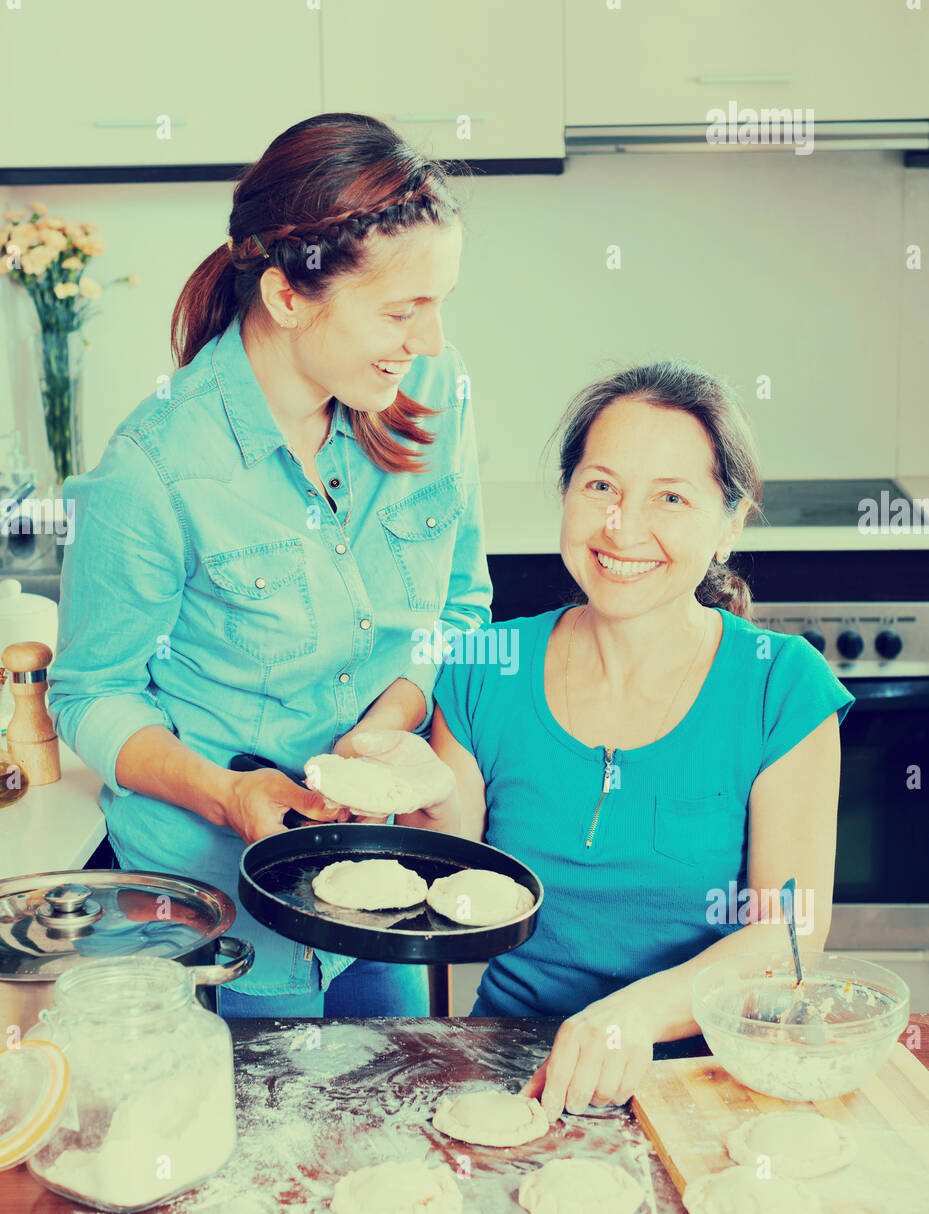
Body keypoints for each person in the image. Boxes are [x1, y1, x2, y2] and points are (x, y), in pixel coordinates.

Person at [48, 113, 492, 1018]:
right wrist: (226, 795)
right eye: (403, 311)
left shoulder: (433, 394)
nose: (432, 341)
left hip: (375, 876)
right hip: (211, 919)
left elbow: (461, 600)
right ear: (288, 295)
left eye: (439, 304)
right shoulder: (153, 469)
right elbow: (89, 693)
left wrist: (391, 723)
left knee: (390, 1127)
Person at [419, 362, 854, 1117]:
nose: (621, 527)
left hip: (704, 1079)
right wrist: (400, 791)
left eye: (672, 498)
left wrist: (632, 1017)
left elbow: (786, 939)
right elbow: (445, 886)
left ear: (729, 525)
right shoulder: (484, 669)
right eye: (600, 487)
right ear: (565, 493)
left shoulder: (779, 686)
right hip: (511, 1063)